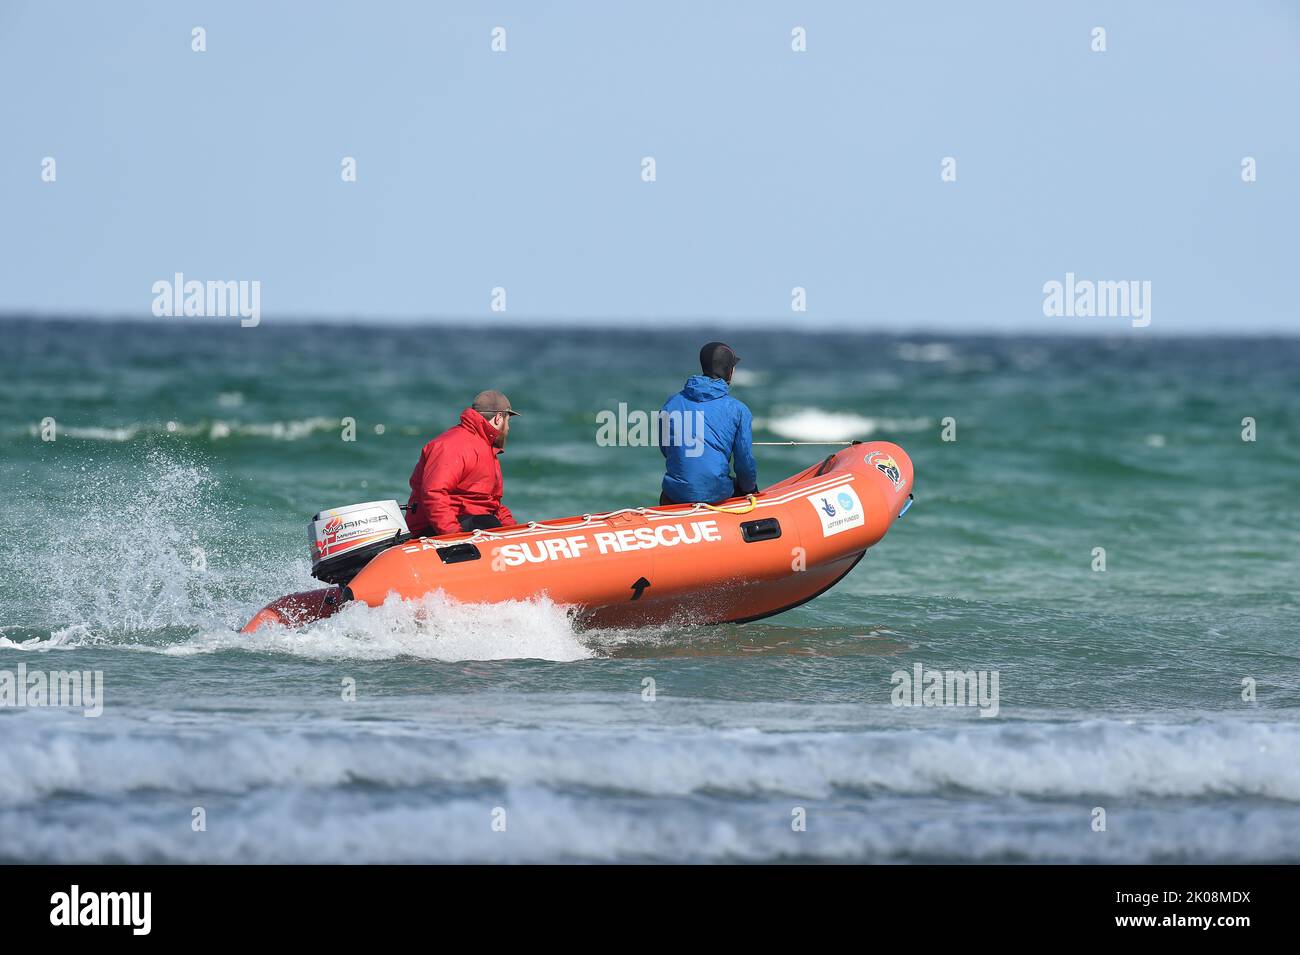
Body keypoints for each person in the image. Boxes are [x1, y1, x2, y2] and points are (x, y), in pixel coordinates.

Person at [406, 390, 519, 536]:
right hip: (434, 530)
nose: (508, 428)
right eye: (508, 421)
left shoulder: (486, 448)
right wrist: (453, 535)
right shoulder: (453, 445)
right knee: (488, 523)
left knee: (490, 522)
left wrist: (516, 532)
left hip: (470, 524)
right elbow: (434, 492)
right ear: (498, 418)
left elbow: (493, 504)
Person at [658, 342, 757, 505]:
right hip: (716, 494)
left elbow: (666, 450)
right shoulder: (739, 410)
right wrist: (750, 489)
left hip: (674, 495)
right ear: (728, 370)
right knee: (745, 488)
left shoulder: (671, 403)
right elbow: (744, 465)